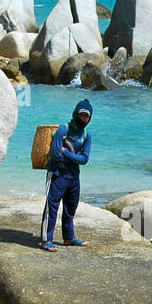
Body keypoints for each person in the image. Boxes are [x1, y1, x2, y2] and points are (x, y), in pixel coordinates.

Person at [40, 99, 93, 252]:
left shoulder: (86, 134)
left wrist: (67, 152)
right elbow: (55, 153)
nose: (84, 119)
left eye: (87, 117)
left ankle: (69, 237)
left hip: (74, 177)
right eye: (82, 115)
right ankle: (46, 240)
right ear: (76, 114)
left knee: (71, 208)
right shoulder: (64, 129)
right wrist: (73, 157)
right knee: (52, 207)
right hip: (57, 174)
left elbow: (84, 159)